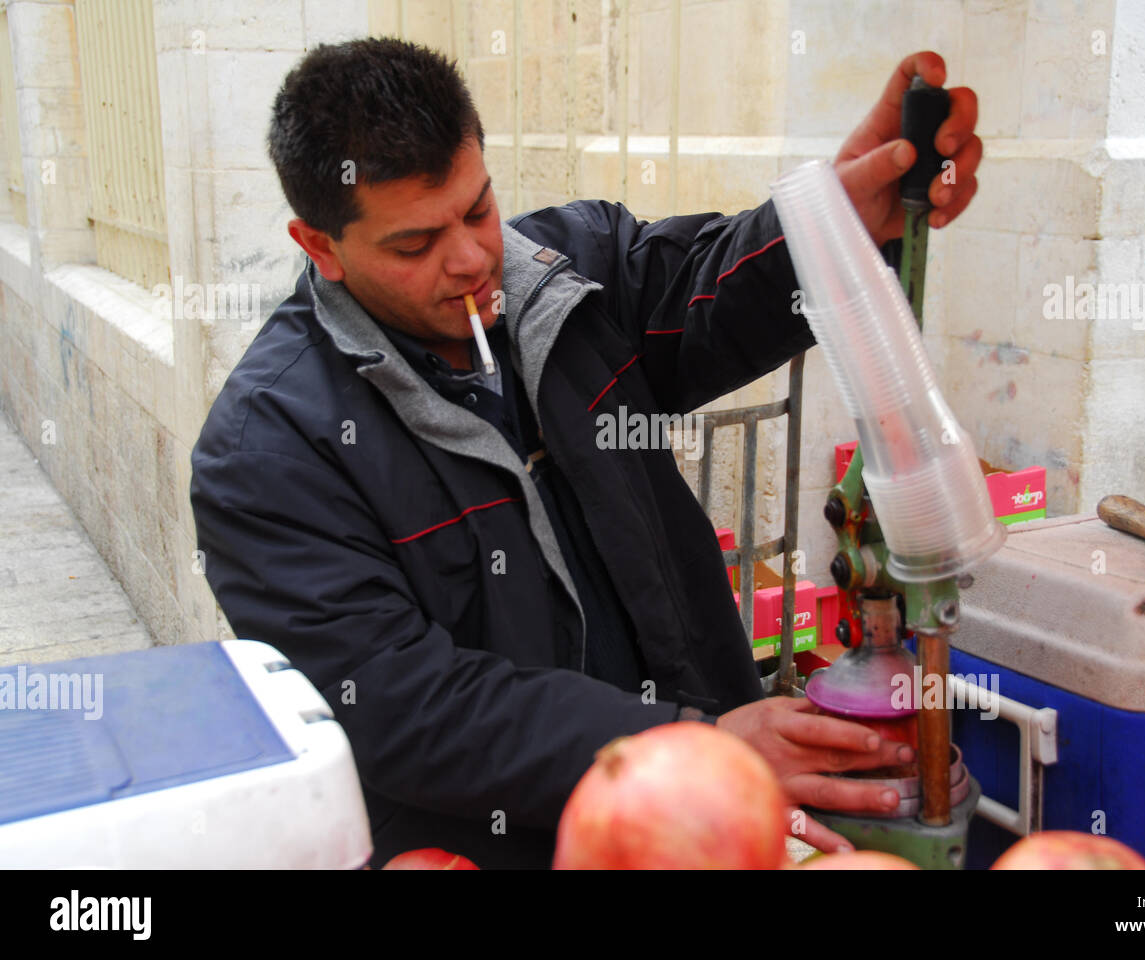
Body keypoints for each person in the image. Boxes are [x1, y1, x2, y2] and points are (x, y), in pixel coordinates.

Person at [190, 37, 982, 869]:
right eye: (414, 245)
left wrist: (836, 224)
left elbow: (708, 290)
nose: (469, 260)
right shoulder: (269, 450)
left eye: (478, 209)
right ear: (320, 246)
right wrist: (690, 748)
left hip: (714, 814)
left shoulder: (577, 273)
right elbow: (404, 704)